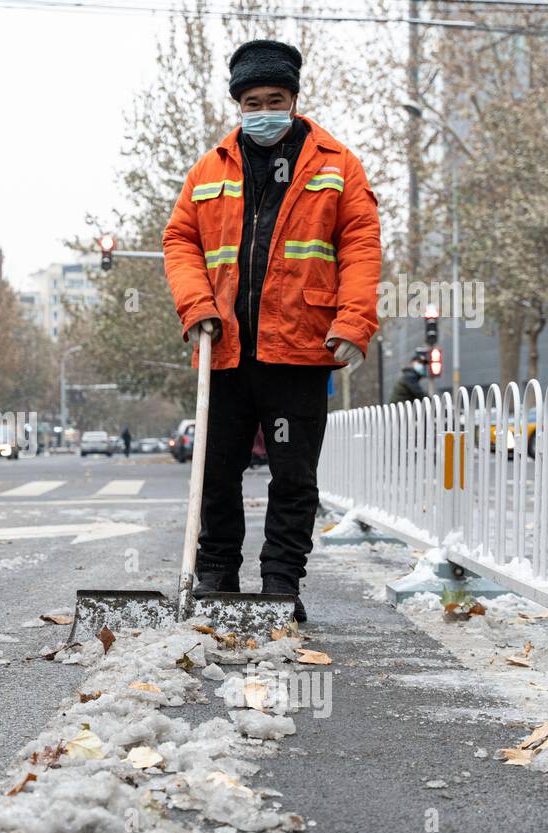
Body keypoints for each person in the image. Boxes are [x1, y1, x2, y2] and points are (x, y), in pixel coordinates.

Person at [162, 39, 382, 623]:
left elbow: (360, 247)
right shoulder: (211, 168)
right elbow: (180, 240)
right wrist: (196, 306)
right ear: (238, 103)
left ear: (293, 98)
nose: (263, 110)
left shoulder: (336, 165)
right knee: (215, 471)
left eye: (274, 98)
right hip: (226, 349)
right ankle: (216, 577)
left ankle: (280, 584)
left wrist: (354, 320)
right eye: (252, 101)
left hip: (300, 350)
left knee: (293, 475)